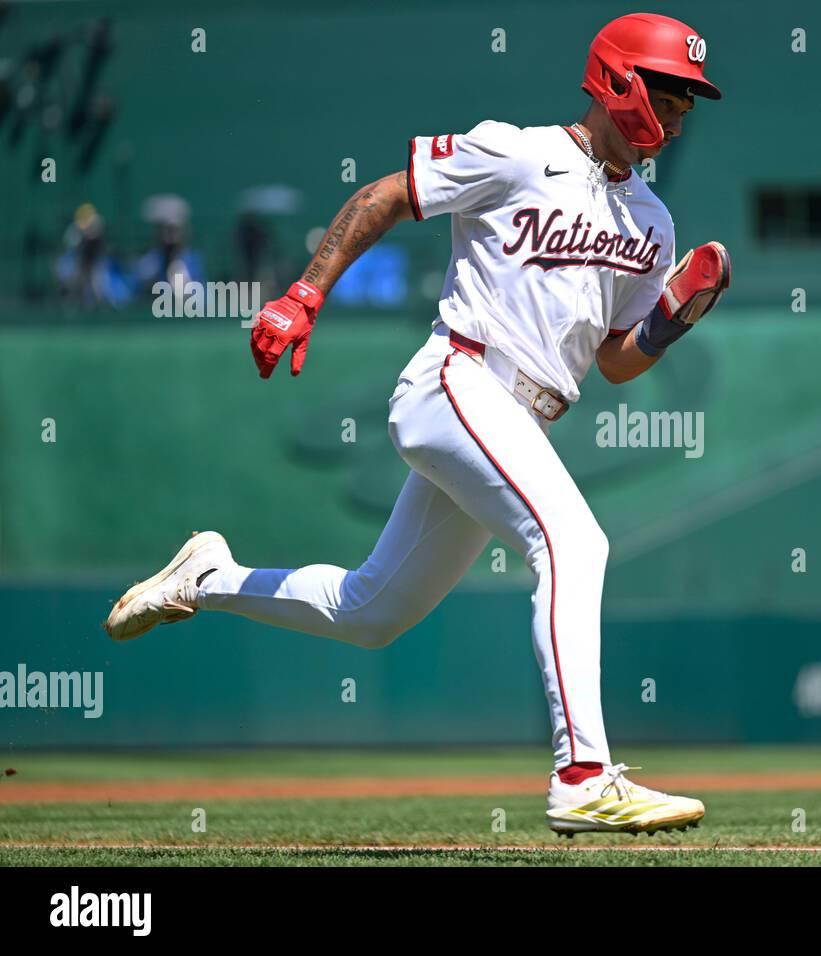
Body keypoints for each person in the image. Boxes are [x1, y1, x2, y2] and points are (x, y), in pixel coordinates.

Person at [103, 13, 729, 837]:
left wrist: (668, 324)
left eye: (692, 97)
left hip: (519, 419)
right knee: (575, 543)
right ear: (620, 82)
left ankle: (205, 578)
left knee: (368, 612)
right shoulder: (518, 150)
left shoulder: (652, 222)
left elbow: (616, 360)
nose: (683, 110)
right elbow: (384, 196)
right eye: (672, 90)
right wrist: (303, 294)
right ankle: (582, 777)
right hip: (456, 380)